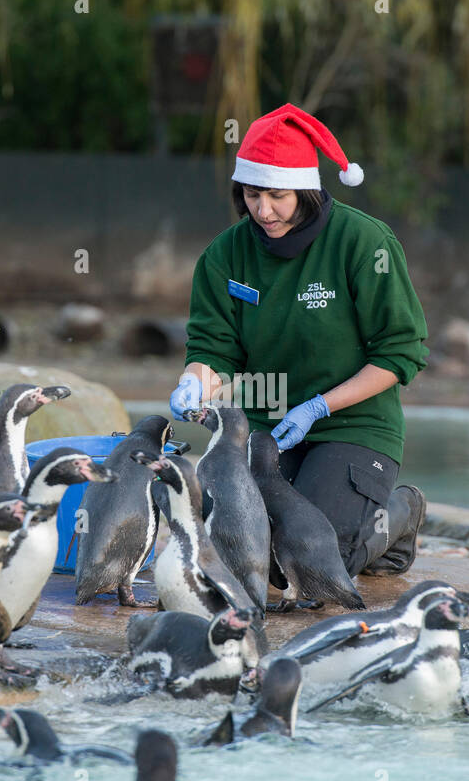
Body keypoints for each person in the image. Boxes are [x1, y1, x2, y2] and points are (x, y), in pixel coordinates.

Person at [170, 103, 429, 579]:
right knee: (243, 554)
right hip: (268, 426)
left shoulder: (364, 243)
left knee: (316, 563)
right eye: (251, 195)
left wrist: (318, 407)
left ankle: (402, 512)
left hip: (354, 425)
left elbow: (400, 353)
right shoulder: (224, 256)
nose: (263, 211)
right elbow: (212, 348)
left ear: (307, 191)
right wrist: (196, 379)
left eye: (278, 197)